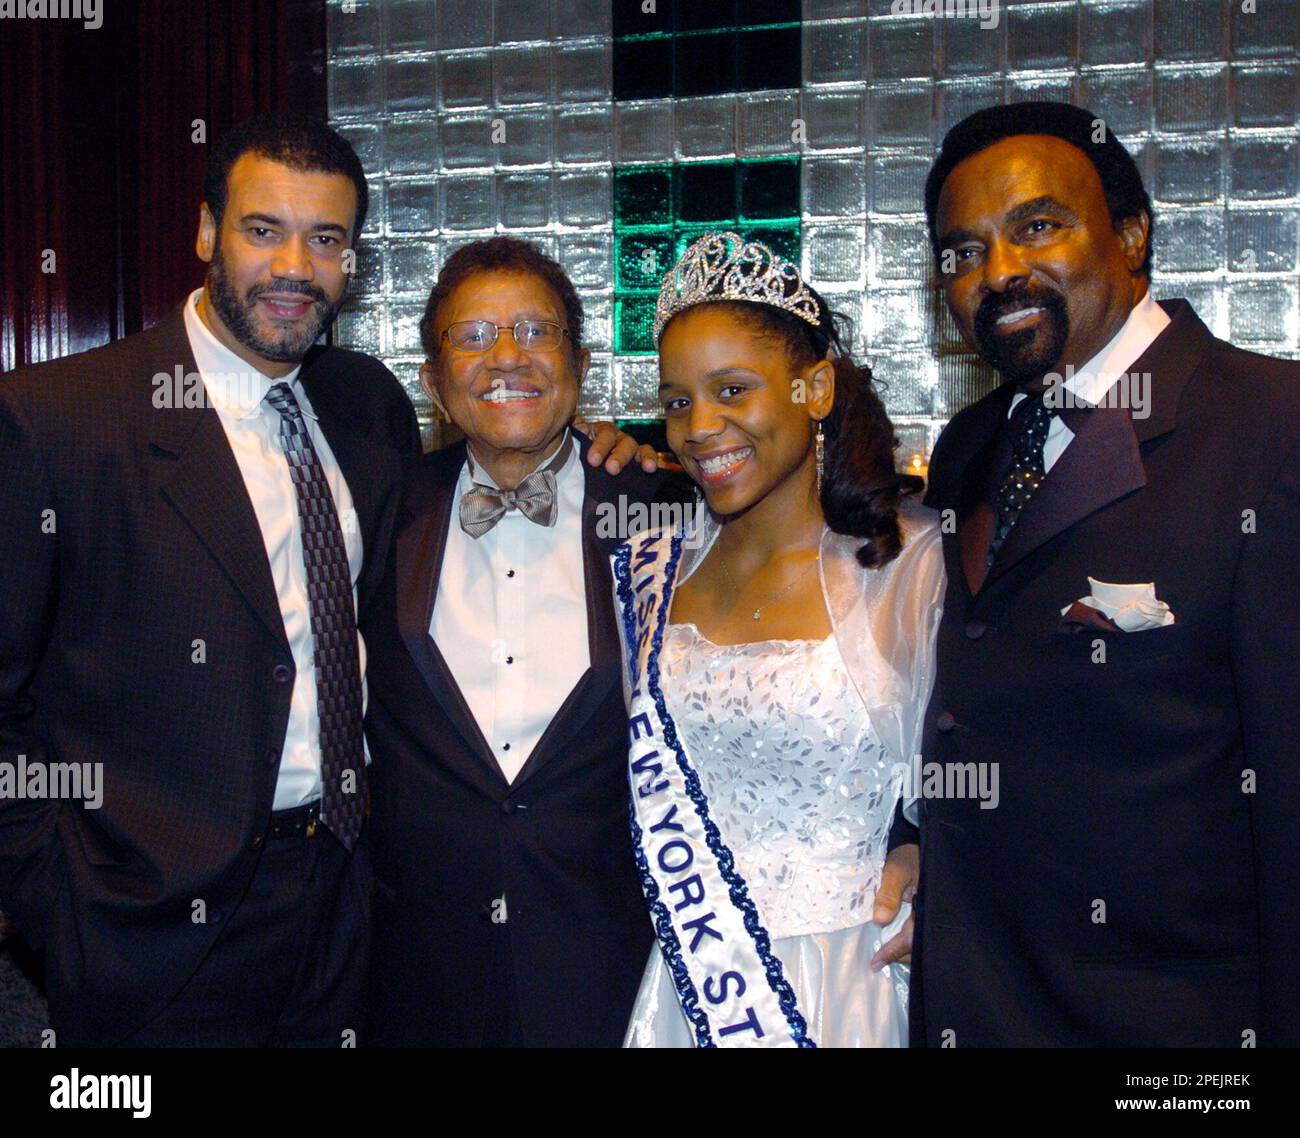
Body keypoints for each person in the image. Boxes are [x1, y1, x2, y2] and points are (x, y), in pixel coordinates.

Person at [0, 116, 638, 1047]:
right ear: (207, 230)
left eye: (327, 239)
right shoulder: (59, 422)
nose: (294, 265)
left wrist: (604, 448)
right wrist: (62, 897)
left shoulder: (363, 406)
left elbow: (500, 460)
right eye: (264, 230)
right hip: (150, 925)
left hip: (352, 908)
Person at [879, 101, 1300, 1047]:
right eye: (962, 251)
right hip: (968, 1006)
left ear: (1132, 236)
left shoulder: (1273, 428)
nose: (998, 273)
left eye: (1037, 227)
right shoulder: (972, 446)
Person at [615, 232, 945, 1047]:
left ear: (816, 388)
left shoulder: (907, 562)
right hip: (693, 982)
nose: (699, 427)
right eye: (678, 401)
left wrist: (936, 869)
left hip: (850, 981)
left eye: (732, 389)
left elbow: (990, 766)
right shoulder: (651, 562)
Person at [363, 236, 692, 1047]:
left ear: (579, 362)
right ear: (434, 382)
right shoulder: (373, 510)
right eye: (471, 337)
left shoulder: (669, 506)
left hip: (613, 967)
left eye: (534, 331)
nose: (506, 357)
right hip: (418, 978)